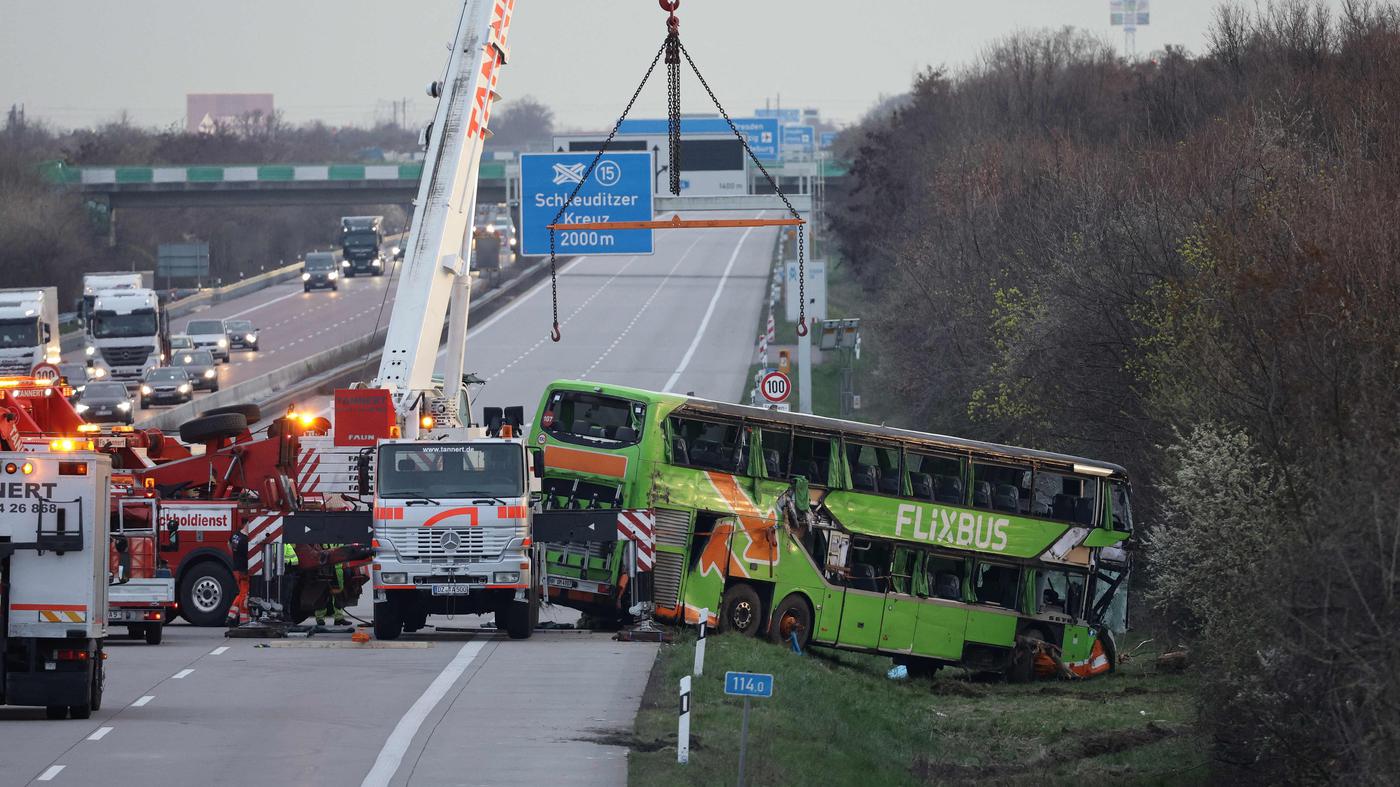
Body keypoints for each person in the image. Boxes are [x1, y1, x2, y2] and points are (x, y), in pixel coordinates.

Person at [284, 542, 348, 626]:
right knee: (322, 594)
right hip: (324, 567)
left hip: (337, 569)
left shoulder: (339, 539)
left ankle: (339, 618)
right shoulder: (322, 538)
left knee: (338, 594)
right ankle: (320, 618)